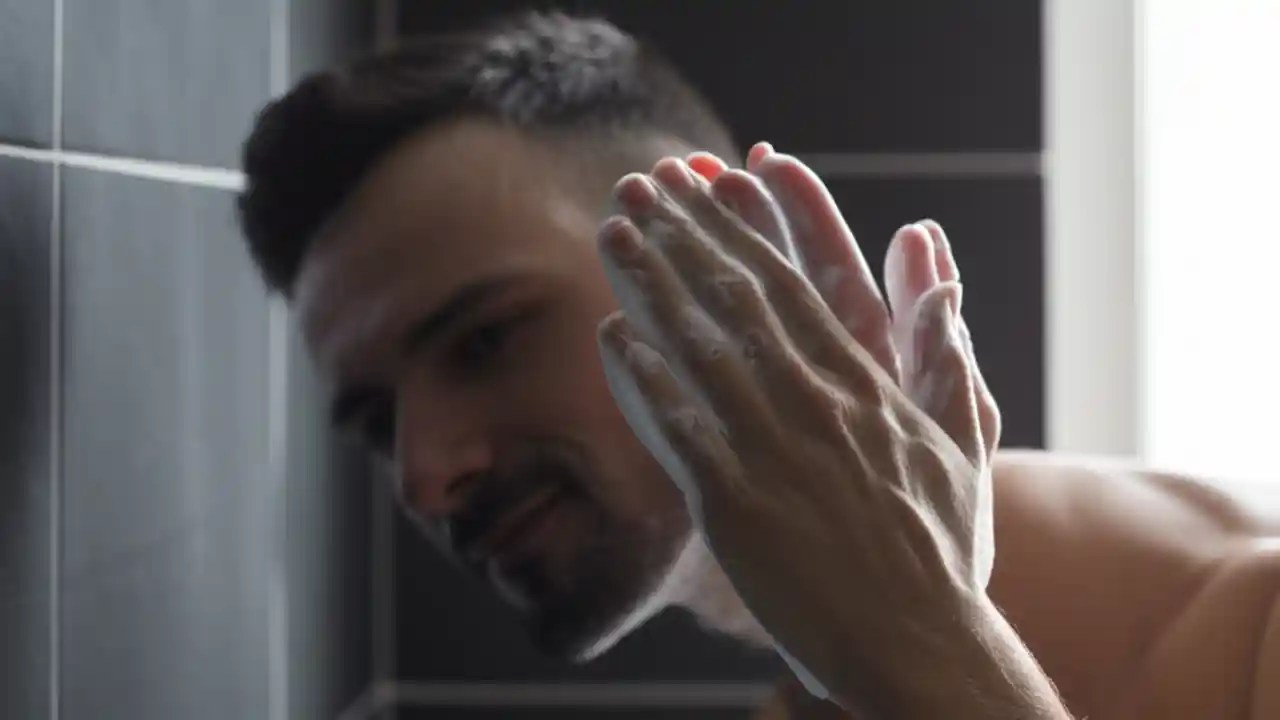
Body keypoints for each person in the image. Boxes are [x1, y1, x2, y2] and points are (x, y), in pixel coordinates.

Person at [237, 11, 1279, 718]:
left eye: (485, 339)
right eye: (379, 421)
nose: (423, 474)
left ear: (736, 241)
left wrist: (928, 642)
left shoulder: (1254, 615)